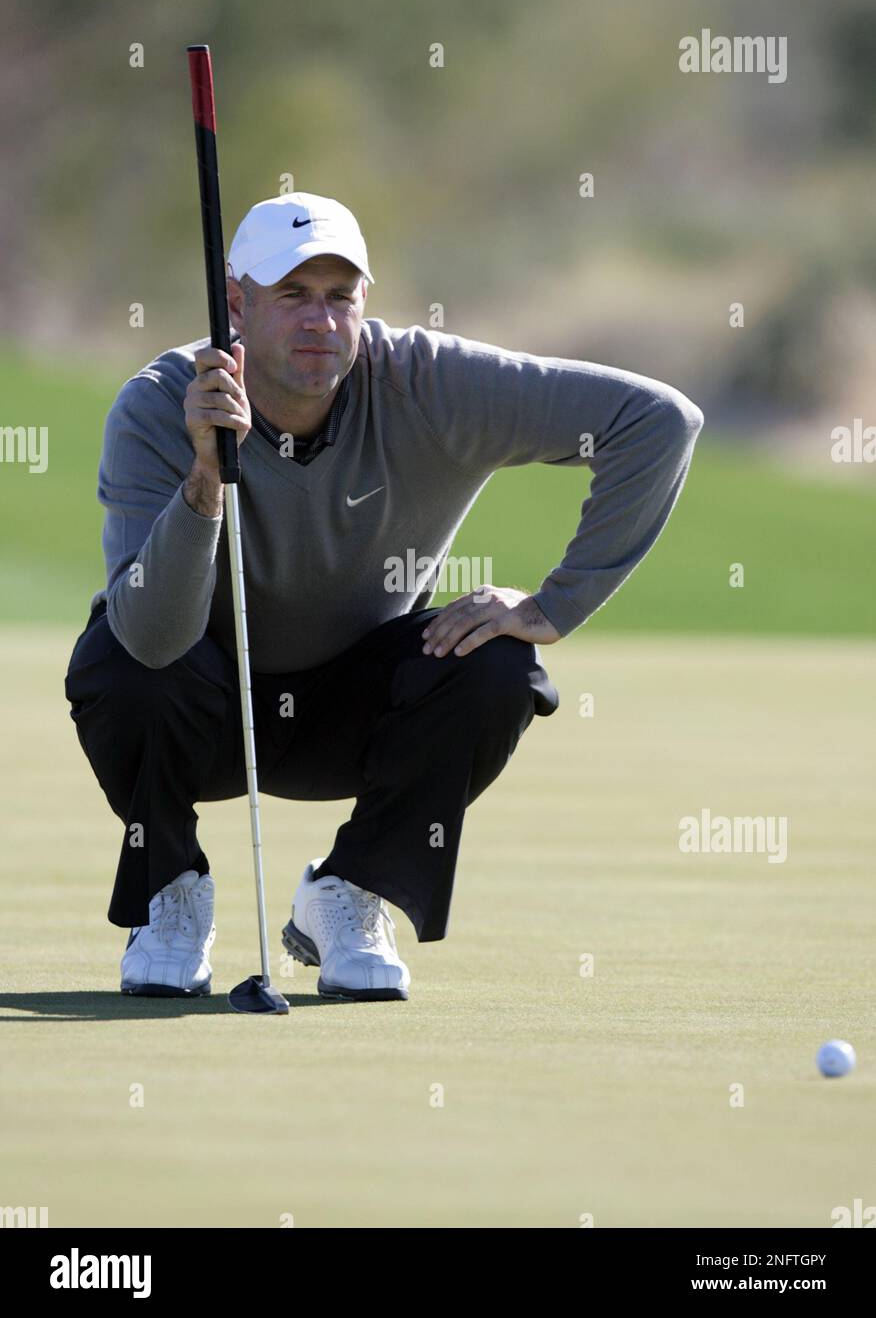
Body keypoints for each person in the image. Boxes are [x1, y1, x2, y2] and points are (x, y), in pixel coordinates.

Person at [64, 191, 704, 1003]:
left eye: (340, 297)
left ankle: (350, 893)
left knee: (498, 663)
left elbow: (657, 421)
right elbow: (153, 639)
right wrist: (203, 478)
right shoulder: (159, 404)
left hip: (356, 706)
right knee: (119, 658)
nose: (319, 322)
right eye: (292, 294)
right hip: (206, 702)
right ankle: (170, 892)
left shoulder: (428, 383)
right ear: (236, 302)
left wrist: (553, 606)